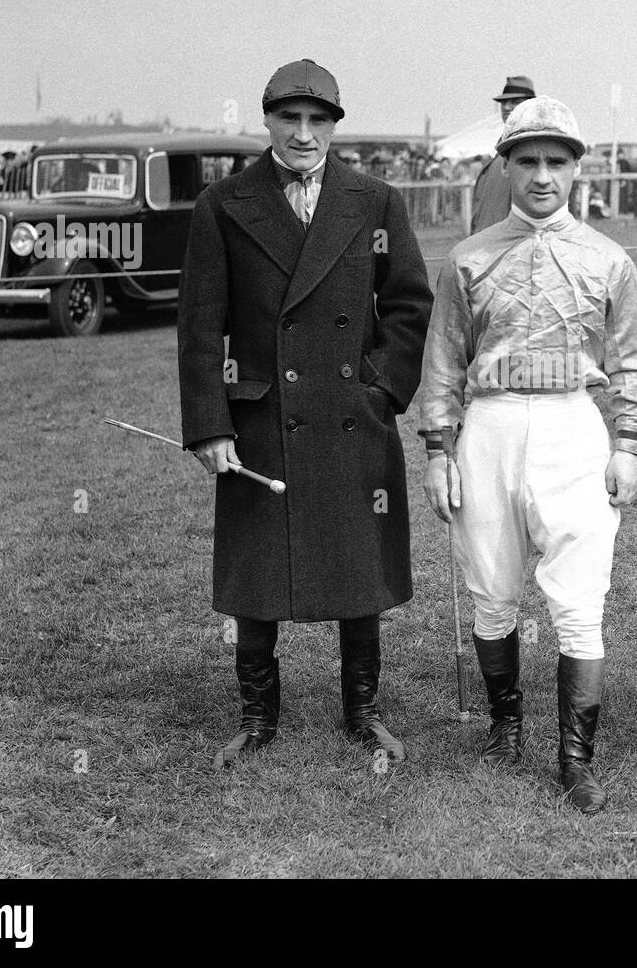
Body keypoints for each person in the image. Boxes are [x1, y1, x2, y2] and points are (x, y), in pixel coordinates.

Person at [178, 58, 434, 770]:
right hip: (261, 419)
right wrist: (209, 423)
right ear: (266, 121)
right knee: (257, 577)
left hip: (352, 414)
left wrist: (379, 389)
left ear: (334, 126)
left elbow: (410, 305)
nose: (303, 133)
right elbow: (201, 325)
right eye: (289, 118)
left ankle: (364, 712)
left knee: (360, 572)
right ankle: (257, 718)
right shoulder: (223, 205)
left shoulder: (376, 201)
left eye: (317, 119)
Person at [417, 97, 637, 814]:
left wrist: (629, 444)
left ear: (577, 168)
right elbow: (442, 365)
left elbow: (635, 362)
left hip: (573, 429)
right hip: (488, 428)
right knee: (493, 588)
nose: (543, 175)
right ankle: (505, 724)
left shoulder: (610, 258)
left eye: (557, 161)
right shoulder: (469, 256)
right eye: (528, 160)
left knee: (579, 598)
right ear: (507, 166)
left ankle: (575, 756)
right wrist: (437, 450)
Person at [470, 75, 536, 234]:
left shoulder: (533, 145)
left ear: (530, 106)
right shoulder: (503, 144)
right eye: (503, 102)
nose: (506, 107)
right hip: (488, 241)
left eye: (514, 102)